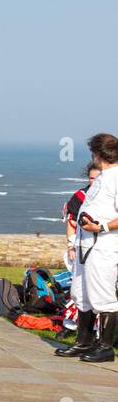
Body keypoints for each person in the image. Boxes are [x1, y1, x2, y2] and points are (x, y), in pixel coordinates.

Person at [71, 133, 118, 364]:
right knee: (82, 294)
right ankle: (84, 341)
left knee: (103, 294)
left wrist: (101, 226)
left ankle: (106, 347)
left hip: (104, 245)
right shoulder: (102, 177)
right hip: (85, 243)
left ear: (98, 154)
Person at [57, 161, 100, 356]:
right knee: (78, 290)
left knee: (100, 292)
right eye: (91, 177)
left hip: (101, 250)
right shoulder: (80, 196)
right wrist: (70, 246)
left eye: (97, 177)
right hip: (81, 248)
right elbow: (71, 223)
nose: (94, 181)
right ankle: (73, 330)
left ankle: (100, 338)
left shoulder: (108, 197)